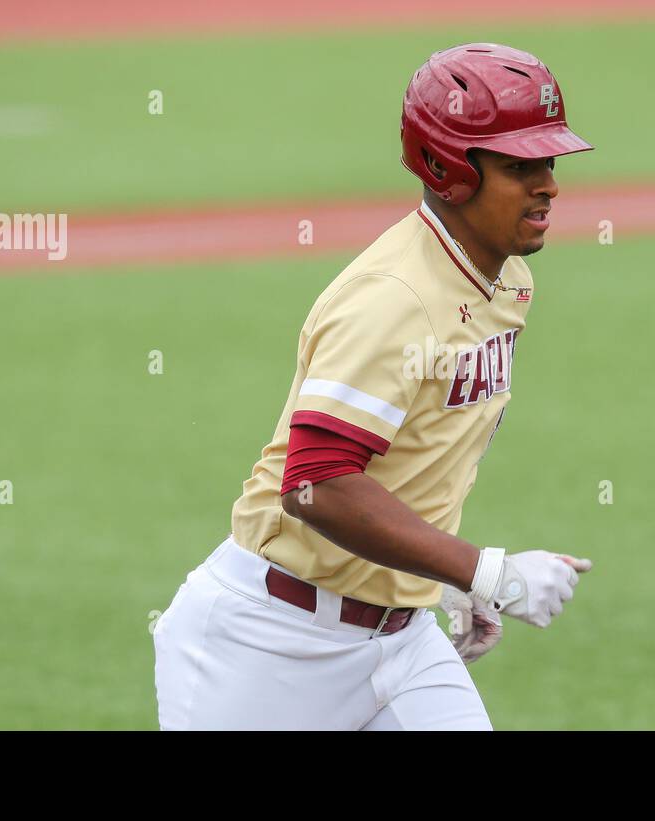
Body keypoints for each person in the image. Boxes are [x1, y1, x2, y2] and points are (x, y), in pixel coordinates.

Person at [153, 42, 595, 730]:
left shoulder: (509, 281)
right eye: (520, 165)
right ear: (450, 170)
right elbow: (316, 485)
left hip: (401, 641)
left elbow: (422, 455)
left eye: (550, 161)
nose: (549, 184)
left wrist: (442, 576)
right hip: (267, 645)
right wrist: (485, 571)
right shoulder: (392, 298)